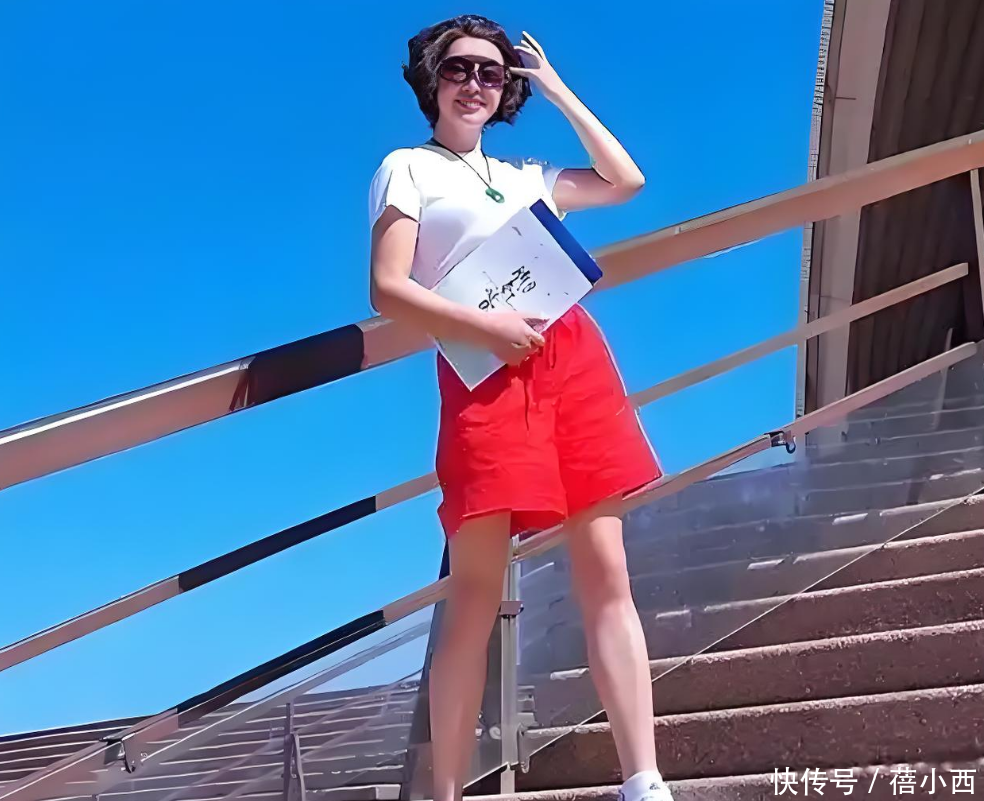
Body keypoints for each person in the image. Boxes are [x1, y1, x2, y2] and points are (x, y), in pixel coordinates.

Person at [368, 15, 670, 801]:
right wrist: (486, 328)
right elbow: (388, 288)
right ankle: (446, 791)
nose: (475, 83)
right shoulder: (407, 168)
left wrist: (559, 89)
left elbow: (626, 181)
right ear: (431, 78)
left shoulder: (529, 174)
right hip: (483, 372)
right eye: (459, 68)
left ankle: (642, 778)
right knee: (474, 594)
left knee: (607, 566)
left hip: (572, 362)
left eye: (492, 73)